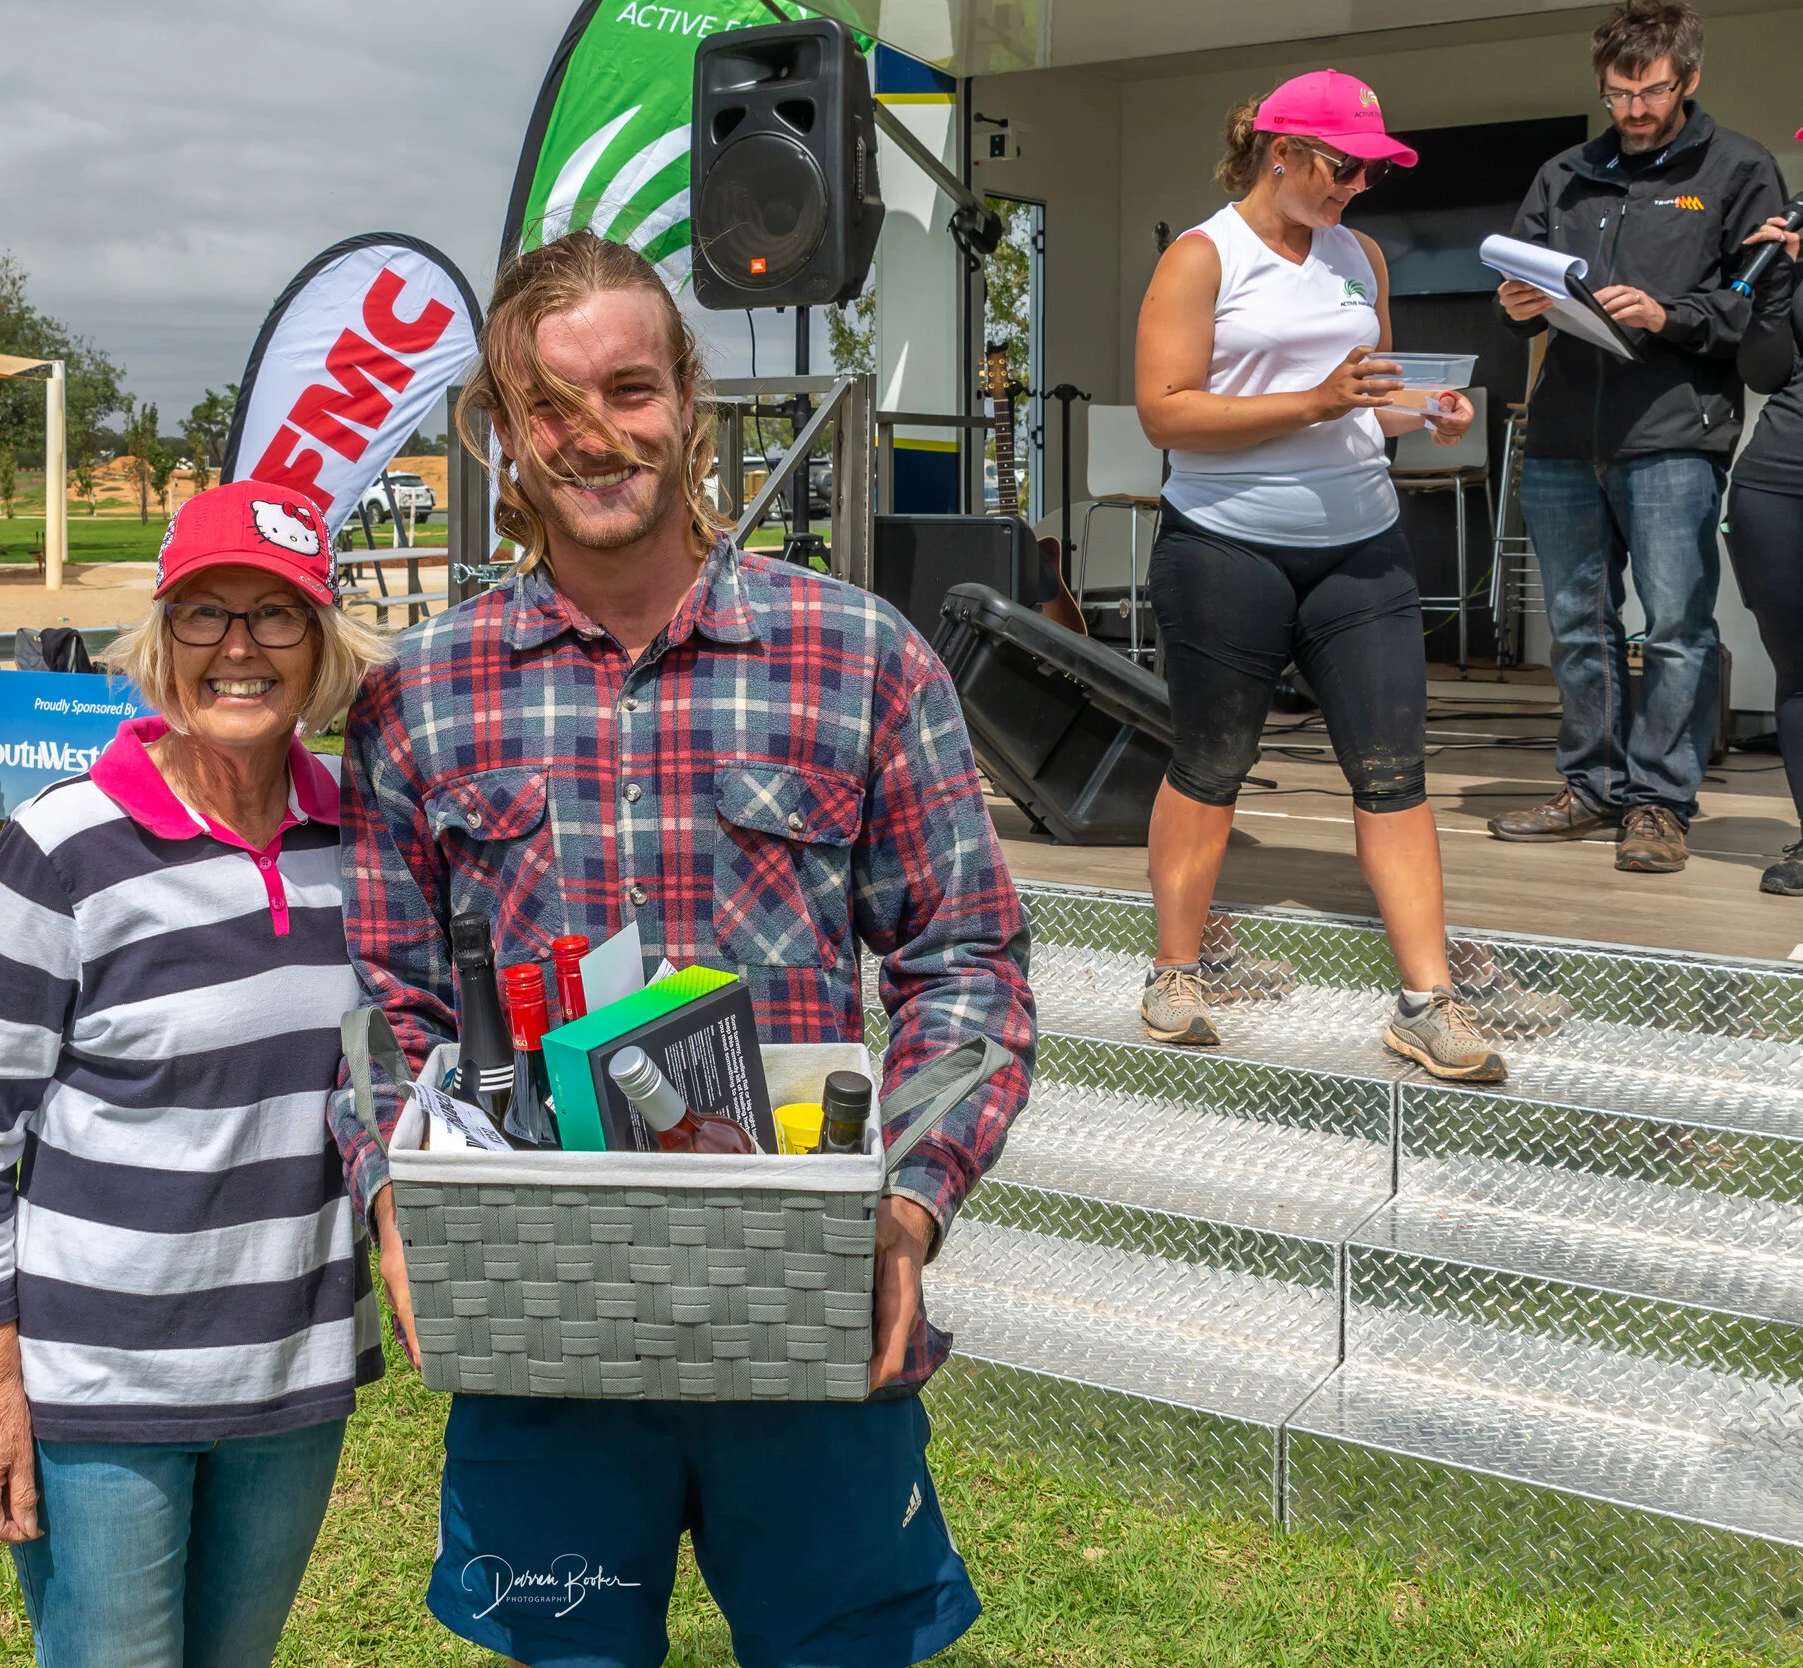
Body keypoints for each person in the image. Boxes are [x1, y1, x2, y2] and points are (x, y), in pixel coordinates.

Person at [331, 231, 1034, 1668]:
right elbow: (385, 1002)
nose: (599, 436)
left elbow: (966, 966)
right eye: (555, 408)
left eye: (632, 390)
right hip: (545, 1319)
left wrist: (902, 1206)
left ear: (690, 401)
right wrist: (399, 1201)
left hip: (806, 1301)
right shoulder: (417, 701)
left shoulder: (862, 658)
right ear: (507, 438)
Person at [0, 479, 387, 1666]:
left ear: (322, 644)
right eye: (204, 615)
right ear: (161, 640)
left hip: (292, 1359)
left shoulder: (369, 841)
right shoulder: (62, 844)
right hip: (100, 1378)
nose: (238, 649)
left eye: (275, 616)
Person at [1131, 71, 1524, 1079]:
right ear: (1282, 155)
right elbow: (1166, 412)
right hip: (1224, 547)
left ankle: (1425, 1002)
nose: (1356, 188)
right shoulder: (1200, 255)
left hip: (1361, 548)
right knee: (1210, 763)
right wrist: (1312, 402)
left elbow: (1365, 395)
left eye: (1368, 172)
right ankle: (1176, 969)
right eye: (1344, 168)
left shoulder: (1360, 255)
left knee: (1394, 771)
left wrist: (1422, 413)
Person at [1488, 0, 1787, 872]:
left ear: (1688, 79)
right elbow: (1522, 273)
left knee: (1676, 628)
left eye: (1651, 92)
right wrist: (1514, 307)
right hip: (1560, 435)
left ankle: (1659, 804)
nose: (1633, 110)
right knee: (1578, 627)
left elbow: (1755, 309)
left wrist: (1668, 313)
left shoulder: (1738, 170)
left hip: (1673, 434)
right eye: (1617, 93)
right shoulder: (1565, 173)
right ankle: (1589, 788)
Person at [1728, 162, 1803, 895]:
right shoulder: (1792, 258)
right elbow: (1762, 371)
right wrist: (1776, 287)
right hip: (1779, 484)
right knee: (1801, 674)